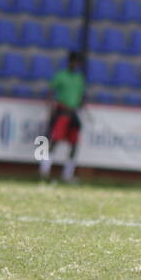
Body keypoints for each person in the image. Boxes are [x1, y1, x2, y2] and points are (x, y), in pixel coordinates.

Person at [40, 50, 85, 184]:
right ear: (70, 62)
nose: (76, 64)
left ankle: (67, 175)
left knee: (74, 144)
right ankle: (44, 171)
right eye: (74, 61)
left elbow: (80, 96)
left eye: (77, 62)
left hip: (73, 113)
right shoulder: (61, 76)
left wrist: (80, 104)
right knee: (54, 141)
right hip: (62, 112)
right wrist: (51, 107)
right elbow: (51, 92)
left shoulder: (79, 79)